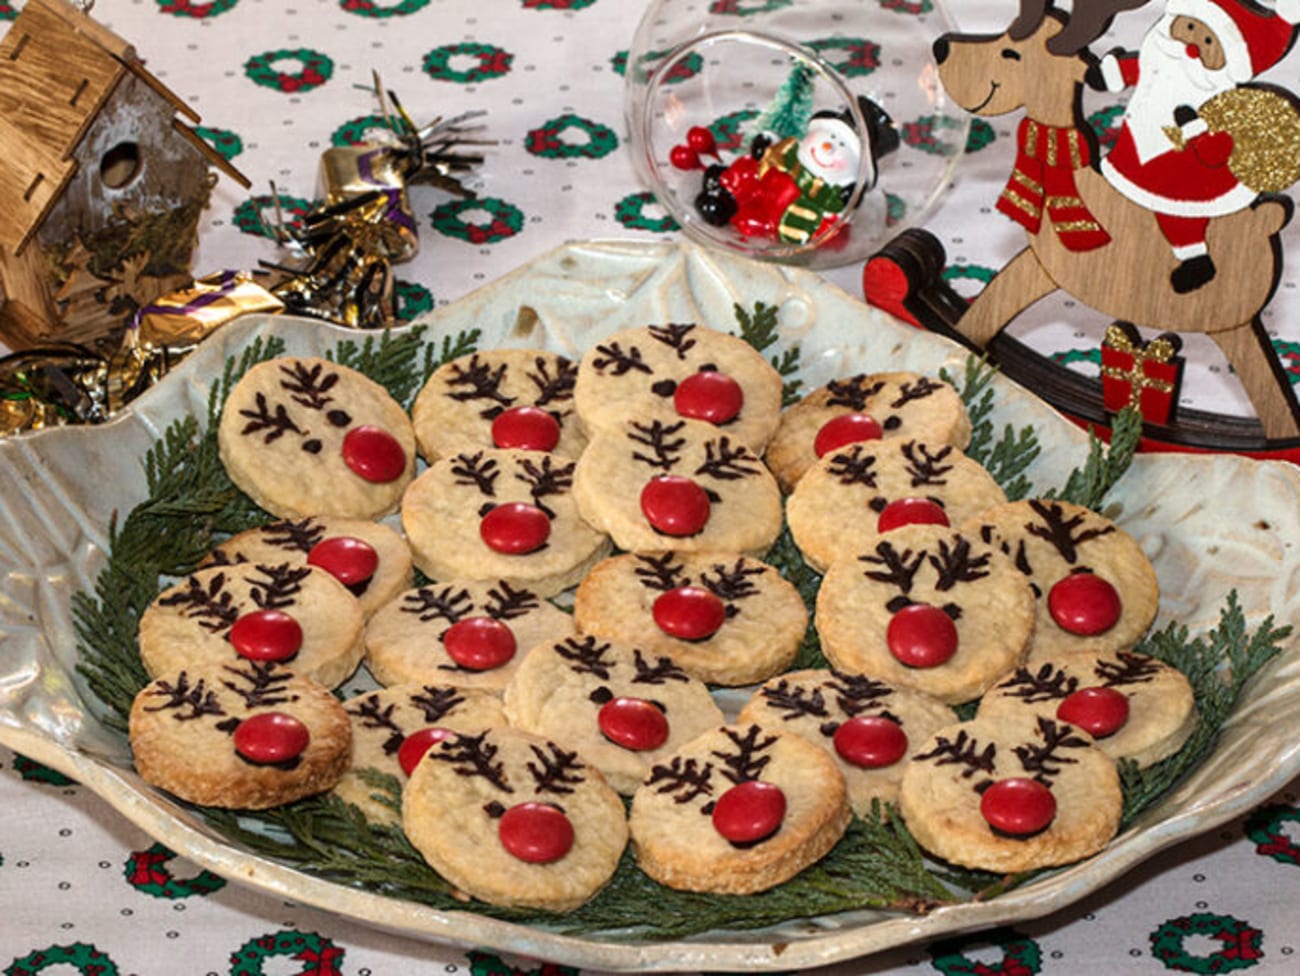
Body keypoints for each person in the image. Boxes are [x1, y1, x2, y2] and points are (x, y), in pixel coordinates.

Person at [1091, 0, 1298, 292]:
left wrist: (1195, 129)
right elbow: (1139, 68)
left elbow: (1216, 153)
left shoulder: (1218, 105)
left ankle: (1195, 258)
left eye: (1209, 42)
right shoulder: (1159, 61)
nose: (1191, 48)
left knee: (1179, 215)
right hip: (1136, 152)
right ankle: (1115, 242)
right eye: (1189, 28)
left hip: (1187, 173)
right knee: (1114, 194)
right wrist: (1110, 74)